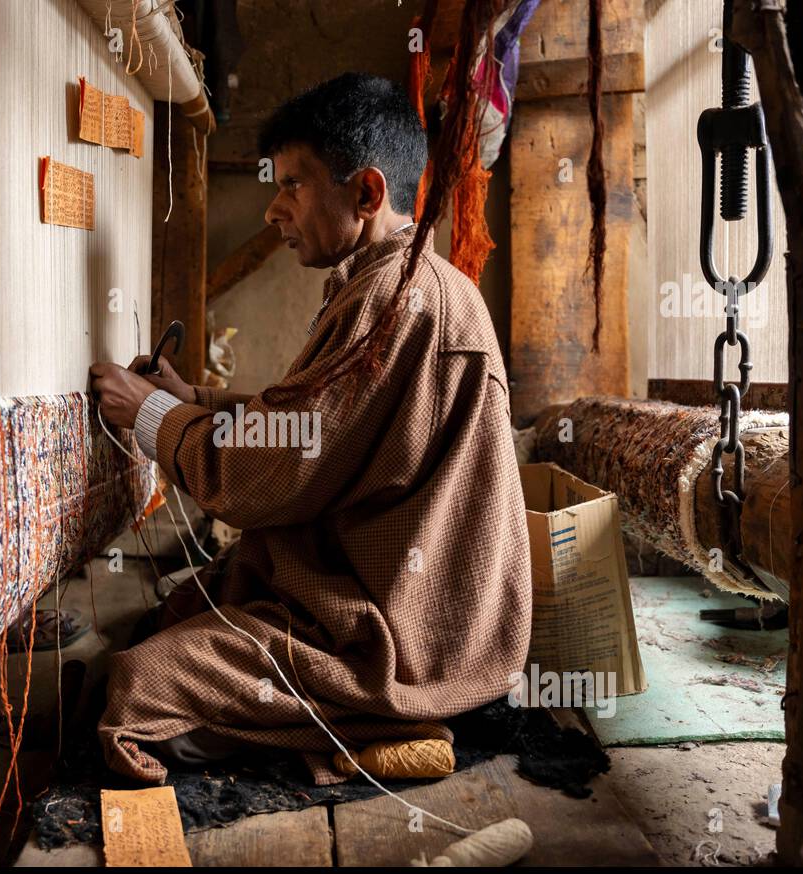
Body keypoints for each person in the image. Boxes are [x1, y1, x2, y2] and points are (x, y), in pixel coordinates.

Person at [89, 72, 531, 786]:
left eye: (292, 185)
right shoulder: (402, 284)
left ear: (366, 193)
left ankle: (383, 722)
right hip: (389, 606)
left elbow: (259, 477)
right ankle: (317, 722)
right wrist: (191, 396)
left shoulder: (394, 303)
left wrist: (147, 413)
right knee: (171, 612)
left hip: (398, 643)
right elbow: (315, 421)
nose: (273, 210)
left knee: (138, 686)